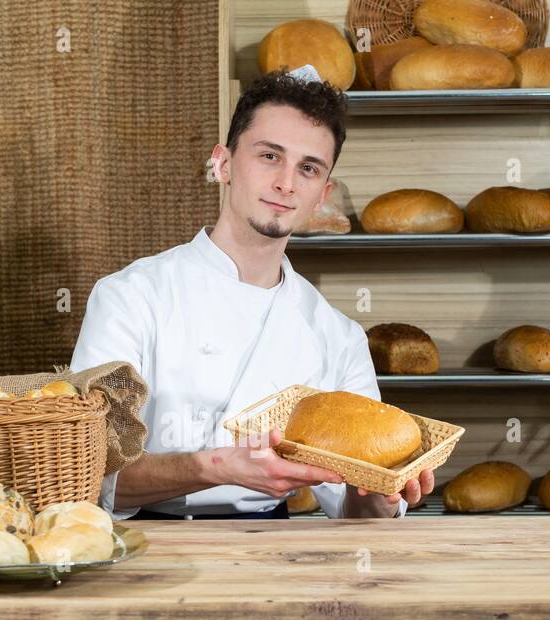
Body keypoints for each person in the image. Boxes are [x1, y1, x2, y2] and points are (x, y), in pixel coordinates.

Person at [70, 67, 435, 520]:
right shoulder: (129, 297)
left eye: (308, 168)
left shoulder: (338, 336)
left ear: (321, 194)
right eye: (269, 156)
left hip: (273, 556)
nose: (286, 182)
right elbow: (87, 476)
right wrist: (220, 466)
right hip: (143, 546)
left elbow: (354, 514)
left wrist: (377, 493)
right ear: (222, 163)